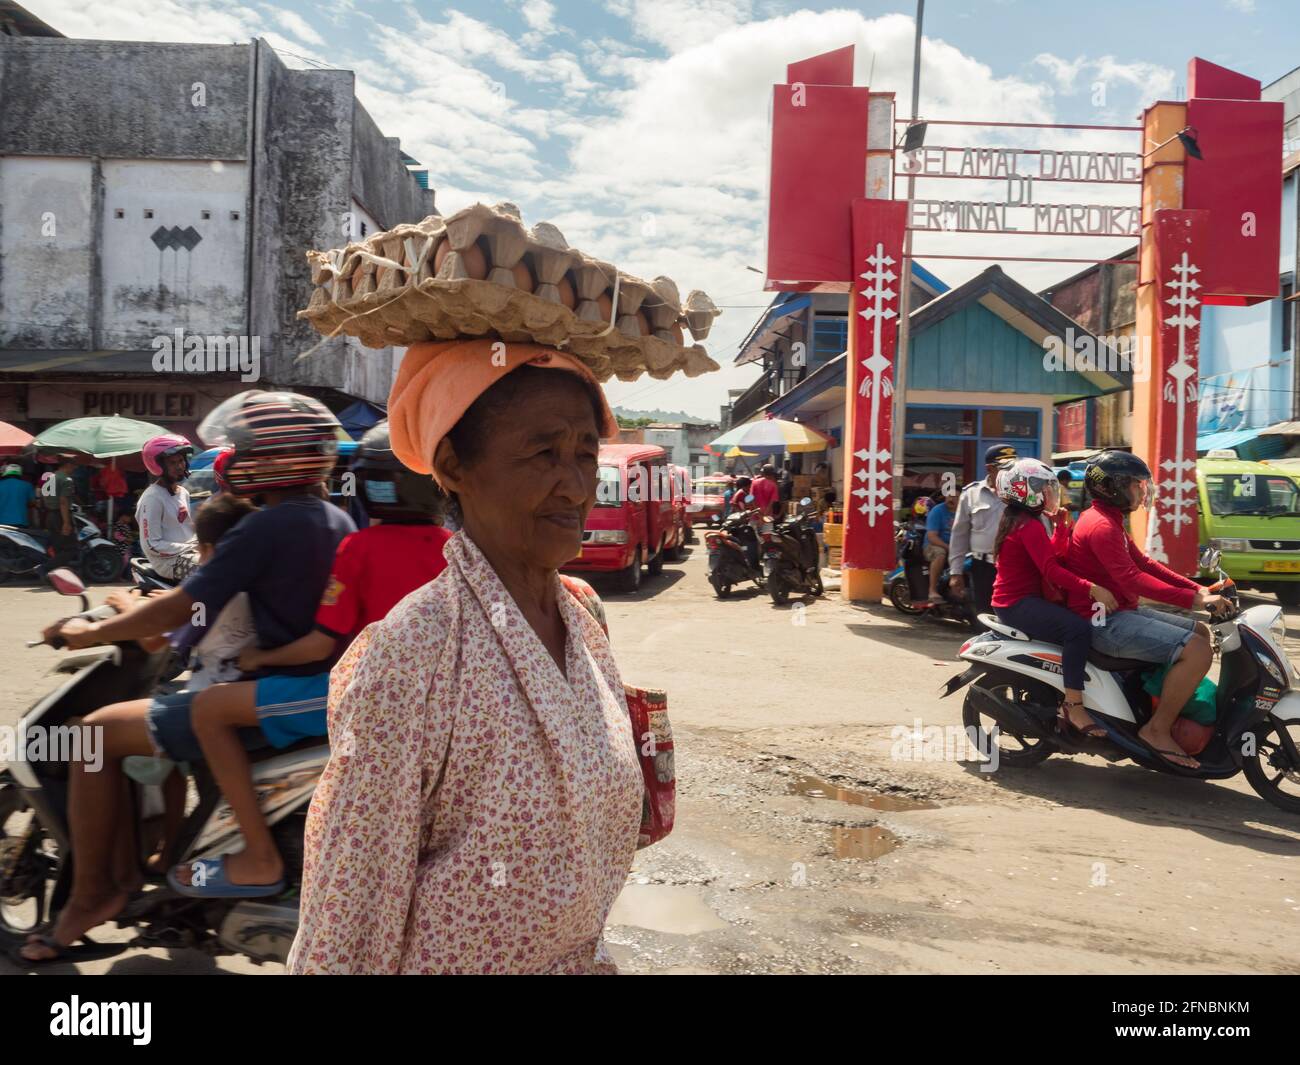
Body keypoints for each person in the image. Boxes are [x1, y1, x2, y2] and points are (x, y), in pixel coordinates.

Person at [288, 340, 644, 974]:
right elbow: (349, 912)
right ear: (452, 464)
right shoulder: (412, 652)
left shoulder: (584, 620)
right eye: (543, 453)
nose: (575, 484)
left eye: (586, 454)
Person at [20, 391, 353, 963]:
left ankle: (96, 893)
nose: (237, 457)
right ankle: (166, 861)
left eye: (246, 448)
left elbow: (182, 609)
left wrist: (85, 633)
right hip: (308, 691)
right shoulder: (335, 518)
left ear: (272, 458)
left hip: (265, 698)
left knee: (91, 735)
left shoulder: (262, 526)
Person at [107, 492, 259, 873]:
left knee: (92, 737)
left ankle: (119, 871)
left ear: (207, 548)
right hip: (245, 692)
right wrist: (168, 598)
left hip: (211, 700)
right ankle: (168, 849)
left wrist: (125, 606)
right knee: (170, 759)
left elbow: (152, 638)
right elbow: (188, 609)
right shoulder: (257, 578)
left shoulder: (213, 587)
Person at [235, 419, 453, 676]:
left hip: (376, 692)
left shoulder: (358, 548)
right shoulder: (455, 547)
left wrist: (259, 658)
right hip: (445, 692)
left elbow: (320, 646)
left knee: (208, 707)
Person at [1066, 450, 1227, 769]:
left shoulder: (1109, 520)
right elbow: (1133, 578)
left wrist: (1197, 588)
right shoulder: (1101, 526)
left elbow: (1144, 563)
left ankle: (1162, 706)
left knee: (1199, 630)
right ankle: (1157, 729)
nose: (1142, 492)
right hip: (1104, 623)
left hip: (1120, 613)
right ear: (1112, 487)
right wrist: (1194, 600)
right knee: (1198, 651)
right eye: (1137, 485)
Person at [991, 459, 1118, 738]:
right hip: (1017, 604)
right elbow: (1051, 570)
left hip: (1018, 600)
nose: (1050, 493)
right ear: (1025, 490)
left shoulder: (1023, 519)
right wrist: (1092, 588)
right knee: (1078, 630)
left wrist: (1061, 527)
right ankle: (1073, 704)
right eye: (1043, 487)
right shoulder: (1029, 524)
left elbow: (1050, 557)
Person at [949, 444, 1018, 620]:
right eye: (1006, 467)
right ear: (990, 468)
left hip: (1014, 566)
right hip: (982, 568)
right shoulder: (971, 493)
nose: (1012, 471)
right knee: (984, 616)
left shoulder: (1020, 493)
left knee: (1011, 617)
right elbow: (959, 535)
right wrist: (956, 572)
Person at [136, 434, 199, 580]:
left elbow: (184, 529)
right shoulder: (153, 498)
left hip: (190, 553)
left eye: (181, 460)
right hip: (169, 563)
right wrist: (191, 548)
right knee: (213, 571)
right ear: (158, 466)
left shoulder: (183, 493)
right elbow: (152, 544)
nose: (179, 466)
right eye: (172, 462)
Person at [38, 453, 79, 572]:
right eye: (74, 465)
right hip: (60, 516)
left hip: (49, 515)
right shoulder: (66, 479)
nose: (75, 468)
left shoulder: (49, 478)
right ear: (67, 465)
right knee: (71, 548)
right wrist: (66, 522)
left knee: (58, 547)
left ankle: (56, 573)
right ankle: (45, 568)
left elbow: (42, 497)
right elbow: (63, 501)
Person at [924, 487, 959, 605]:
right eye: (949, 496)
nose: (951, 499)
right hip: (933, 546)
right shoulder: (937, 511)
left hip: (956, 546)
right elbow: (932, 536)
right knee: (940, 554)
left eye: (955, 496)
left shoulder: (964, 512)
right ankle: (932, 590)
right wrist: (948, 547)